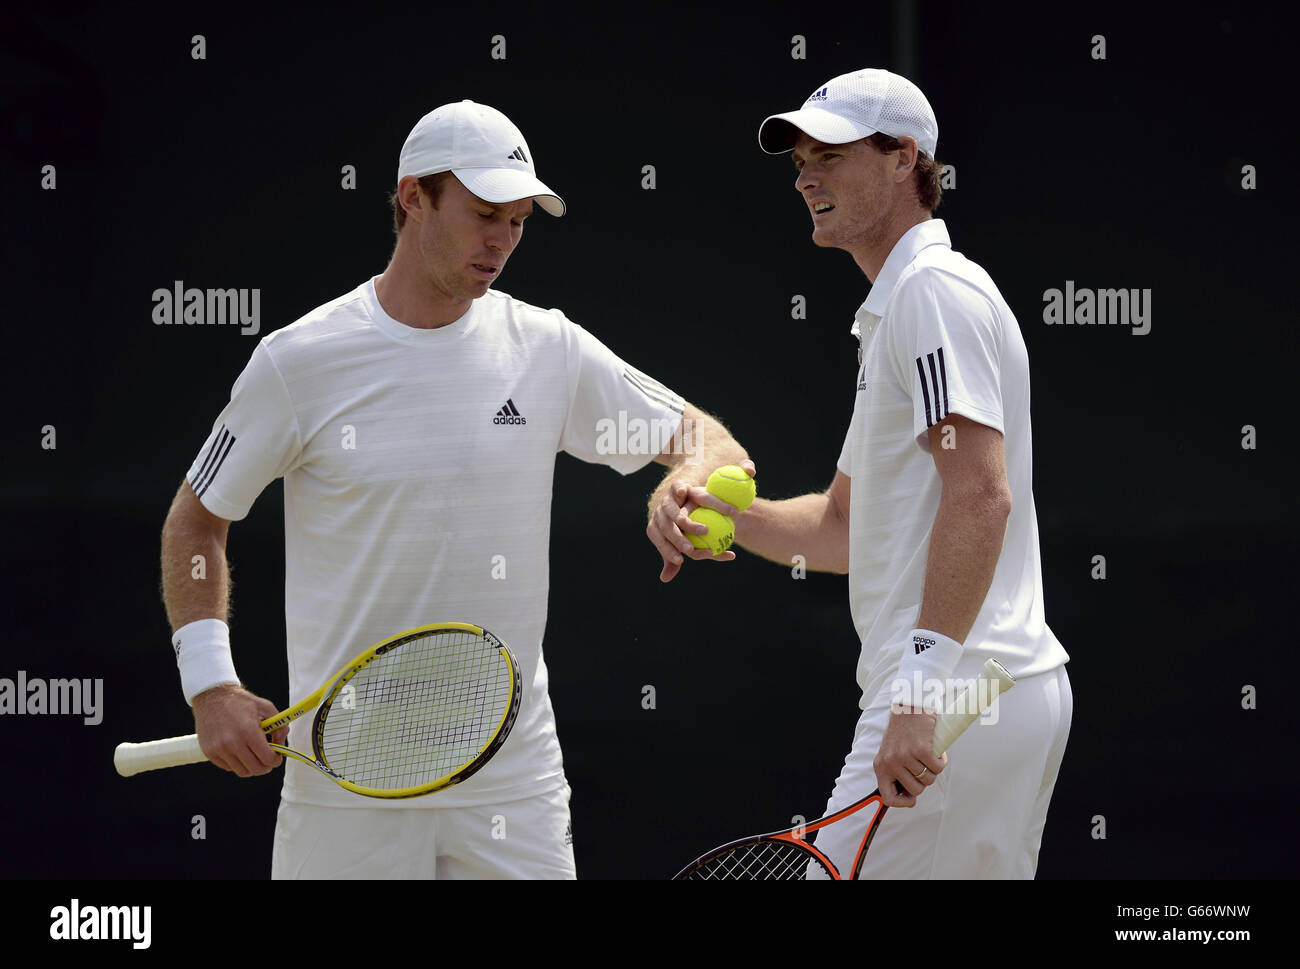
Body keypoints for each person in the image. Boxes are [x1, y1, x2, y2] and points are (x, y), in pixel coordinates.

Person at [160, 99, 751, 879]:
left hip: (515, 785)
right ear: (412, 197)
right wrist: (210, 686)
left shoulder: (548, 347)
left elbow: (707, 440)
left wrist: (679, 482)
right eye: (483, 215)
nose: (502, 241)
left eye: (517, 222)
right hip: (344, 792)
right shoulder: (295, 361)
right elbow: (195, 522)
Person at [722, 68, 1071, 877]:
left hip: (955, 693)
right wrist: (720, 513)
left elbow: (981, 494)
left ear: (903, 158)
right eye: (800, 158)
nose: (807, 175)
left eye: (832, 154)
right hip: (990, 688)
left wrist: (918, 692)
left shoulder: (931, 293)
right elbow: (845, 528)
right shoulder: (899, 309)